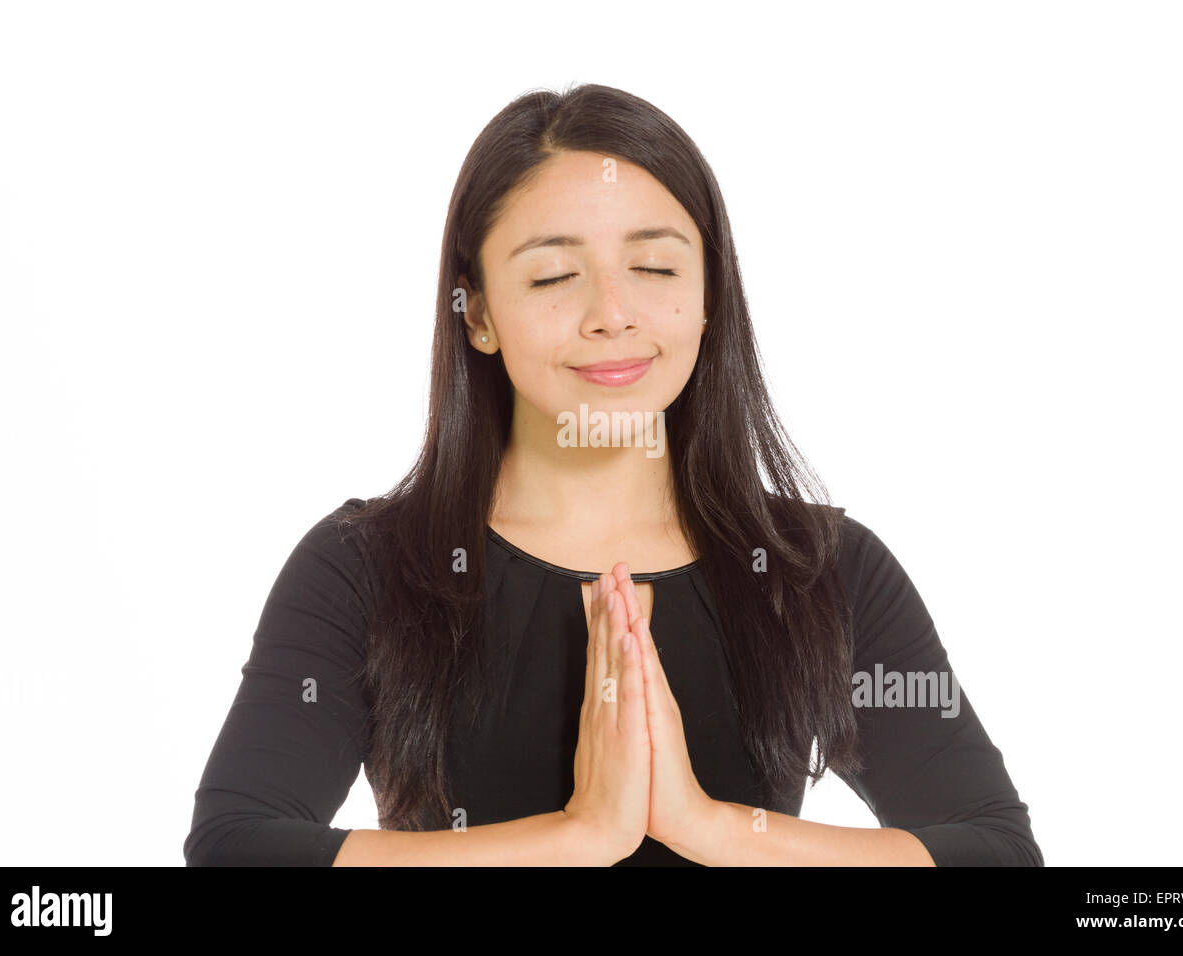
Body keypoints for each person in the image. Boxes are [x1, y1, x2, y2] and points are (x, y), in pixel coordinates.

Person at [183, 83, 1043, 866]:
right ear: (477, 312)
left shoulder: (820, 569)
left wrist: (705, 825)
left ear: (710, 294)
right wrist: (579, 835)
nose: (613, 314)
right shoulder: (367, 567)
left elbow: (997, 851)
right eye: (554, 275)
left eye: (656, 267)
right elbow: (236, 846)